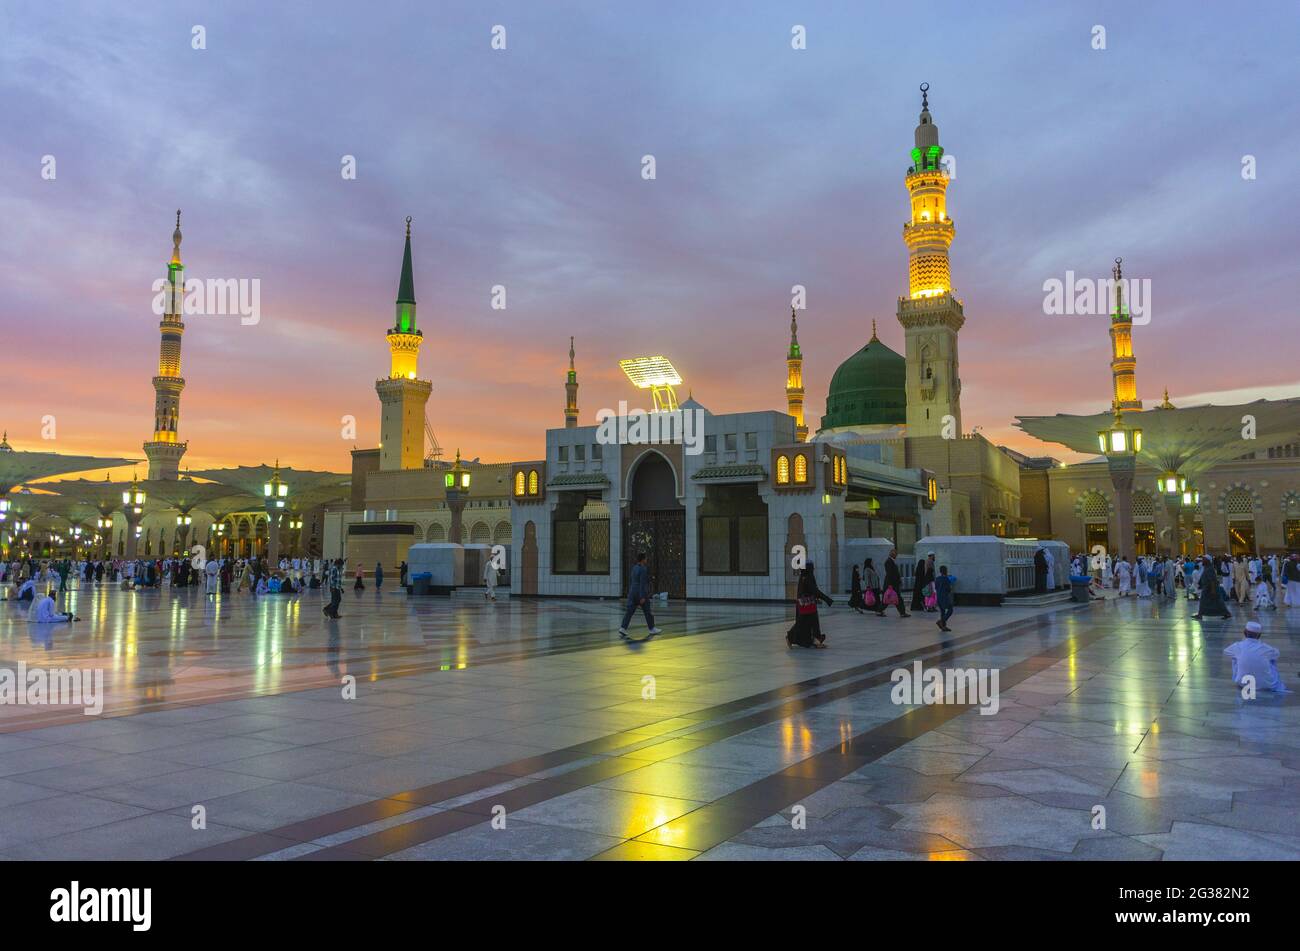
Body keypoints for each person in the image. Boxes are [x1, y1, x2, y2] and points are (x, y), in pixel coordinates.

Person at [1224, 621, 1286, 694]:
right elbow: (1276, 654)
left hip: (1243, 683)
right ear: (1259, 635)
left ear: (1244, 632)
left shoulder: (1238, 646)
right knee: (1272, 661)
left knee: (1235, 658)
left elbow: (1226, 651)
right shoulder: (1266, 648)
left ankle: (1239, 677)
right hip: (1266, 685)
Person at [787, 562, 832, 648]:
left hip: (804, 604)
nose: (813, 569)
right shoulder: (808, 576)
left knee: (806, 623)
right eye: (812, 567)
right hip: (808, 605)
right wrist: (827, 599)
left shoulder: (803, 576)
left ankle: (816, 641)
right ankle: (790, 637)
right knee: (808, 623)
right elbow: (814, 590)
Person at [620, 552, 661, 638]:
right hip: (640, 593)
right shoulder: (643, 569)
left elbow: (632, 580)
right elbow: (642, 584)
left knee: (629, 611)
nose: (647, 560)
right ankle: (652, 628)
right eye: (646, 558)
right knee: (647, 611)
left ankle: (623, 628)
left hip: (632, 592)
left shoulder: (634, 568)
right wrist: (642, 596)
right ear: (643, 560)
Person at [1193, 556, 1232, 620]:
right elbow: (1204, 576)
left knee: (1217, 602)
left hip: (1210, 588)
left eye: (1204, 559)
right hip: (1207, 588)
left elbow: (1212, 580)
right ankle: (1200, 614)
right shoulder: (1206, 567)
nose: (1202, 561)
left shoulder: (1210, 568)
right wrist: (1201, 584)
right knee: (1206, 601)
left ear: (1208, 561)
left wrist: (1213, 590)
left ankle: (1227, 613)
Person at [881, 549, 909, 618]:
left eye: (896, 553)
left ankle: (902, 612)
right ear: (891, 554)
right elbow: (890, 574)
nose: (896, 555)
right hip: (891, 585)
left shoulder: (891, 561)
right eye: (894, 554)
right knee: (893, 599)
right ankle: (902, 613)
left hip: (893, 584)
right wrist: (890, 585)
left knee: (894, 599)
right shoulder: (888, 562)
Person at [933, 565, 956, 632]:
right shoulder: (946, 579)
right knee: (950, 610)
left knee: (942, 612)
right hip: (944, 597)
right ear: (946, 571)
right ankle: (941, 621)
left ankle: (943, 626)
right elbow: (948, 589)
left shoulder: (937, 579)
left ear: (940, 571)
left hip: (938, 597)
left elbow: (936, 588)